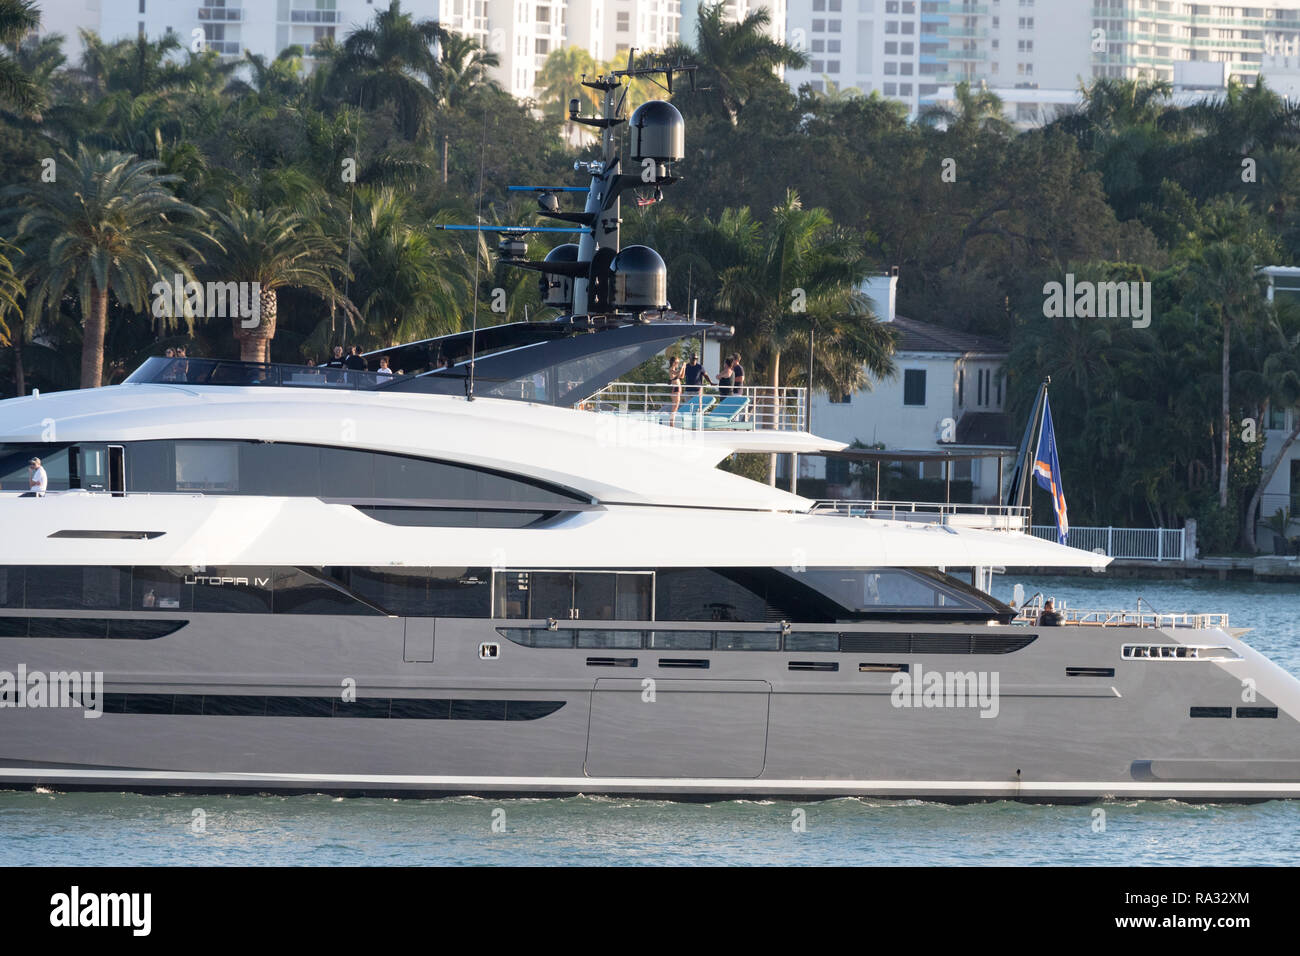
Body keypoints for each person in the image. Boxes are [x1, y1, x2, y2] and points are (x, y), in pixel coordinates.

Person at [667, 355, 684, 425]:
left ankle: (672, 423)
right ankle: (671, 423)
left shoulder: (674, 370)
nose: (678, 364)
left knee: (675, 408)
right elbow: (678, 374)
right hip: (675, 389)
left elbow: (682, 376)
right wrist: (682, 367)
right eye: (677, 362)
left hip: (677, 389)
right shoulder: (671, 369)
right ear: (673, 363)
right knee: (674, 408)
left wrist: (684, 368)